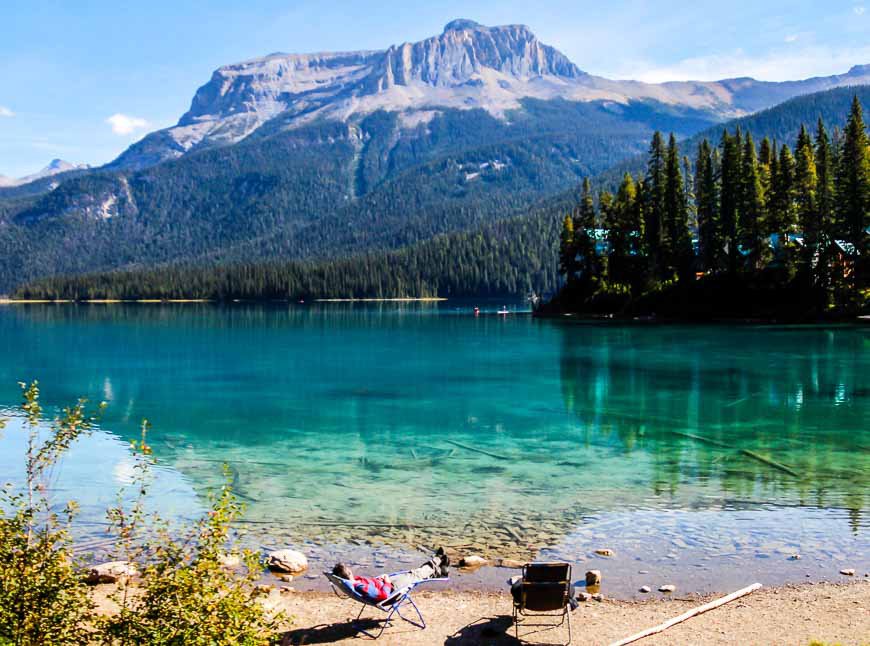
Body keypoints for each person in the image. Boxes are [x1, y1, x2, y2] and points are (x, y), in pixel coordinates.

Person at [332, 548, 449, 603]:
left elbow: (371, 587)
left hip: (384, 585)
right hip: (392, 592)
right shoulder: (359, 586)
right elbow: (383, 595)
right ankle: (439, 560)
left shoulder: (353, 583)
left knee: (413, 573)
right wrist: (387, 582)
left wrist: (379, 580)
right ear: (350, 573)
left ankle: (439, 570)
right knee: (416, 575)